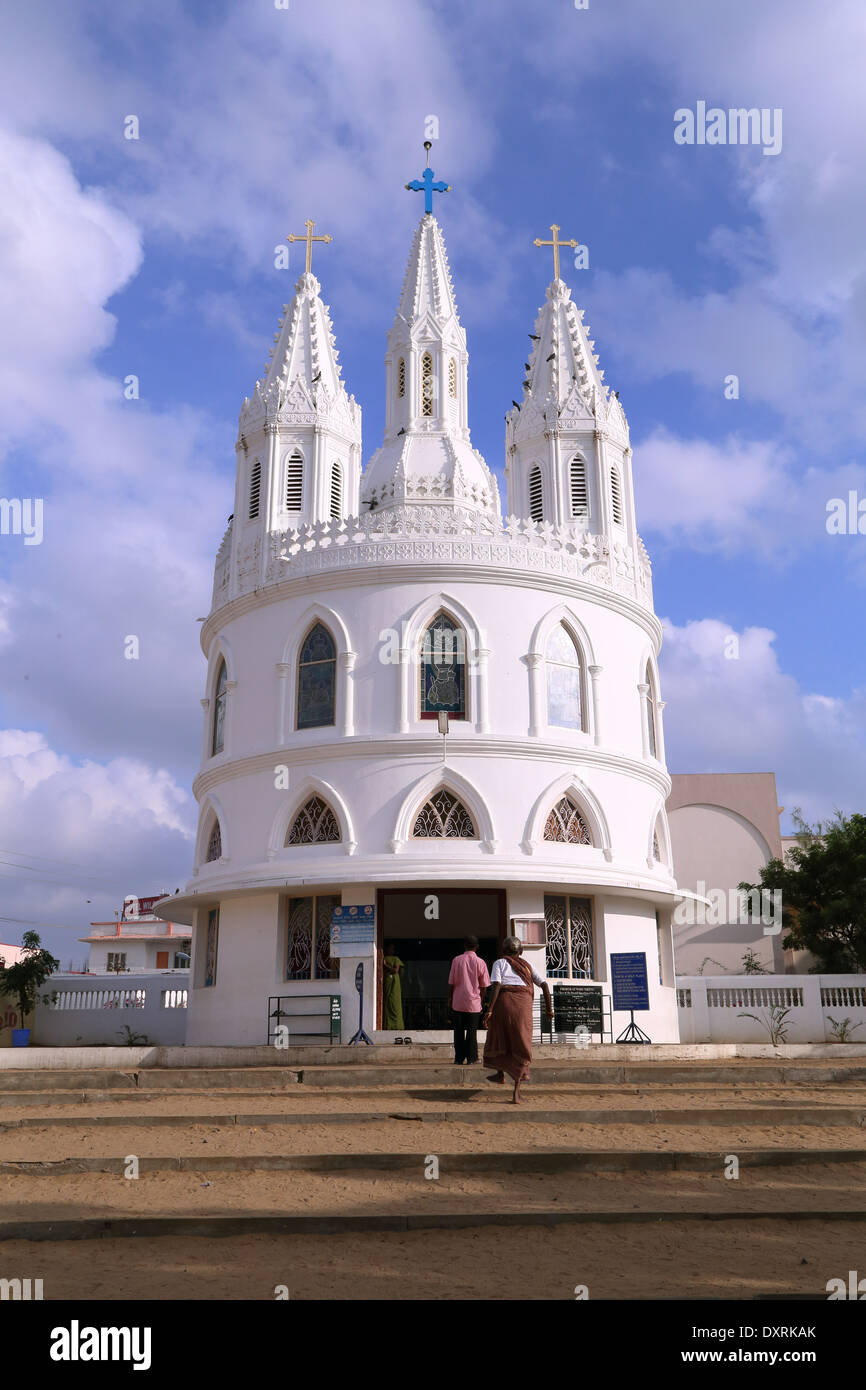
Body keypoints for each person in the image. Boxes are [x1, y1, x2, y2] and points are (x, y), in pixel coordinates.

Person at [482, 936, 553, 1104]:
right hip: (523, 1006)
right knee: (520, 1043)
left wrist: (489, 1010)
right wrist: (549, 1009)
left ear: (504, 951)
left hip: (504, 1004)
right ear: (520, 952)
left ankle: (500, 1073)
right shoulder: (527, 966)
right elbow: (544, 985)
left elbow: (497, 985)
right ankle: (516, 1093)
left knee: (500, 1037)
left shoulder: (499, 963)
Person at [447, 935, 491, 1064]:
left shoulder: (456, 960)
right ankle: (472, 1058)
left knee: (458, 1031)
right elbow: (484, 985)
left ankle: (459, 1058)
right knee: (472, 1032)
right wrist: (480, 998)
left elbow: (451, 982)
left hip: (458, 1001)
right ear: (477, 947)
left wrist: (449, 998)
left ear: (464, 945)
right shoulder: (480, 962)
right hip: (474, 1003)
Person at [382, 942, 404, 1030]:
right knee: (387, 1003)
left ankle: (397, 1026)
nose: (391, 950)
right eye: (390, 948)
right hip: (387, 983)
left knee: (395, 1004)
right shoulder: (383, 958)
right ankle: (388, 1025)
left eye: (393, 949)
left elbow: (395, 970)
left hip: (395, 984)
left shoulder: (396, 959)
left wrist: (386, 965)